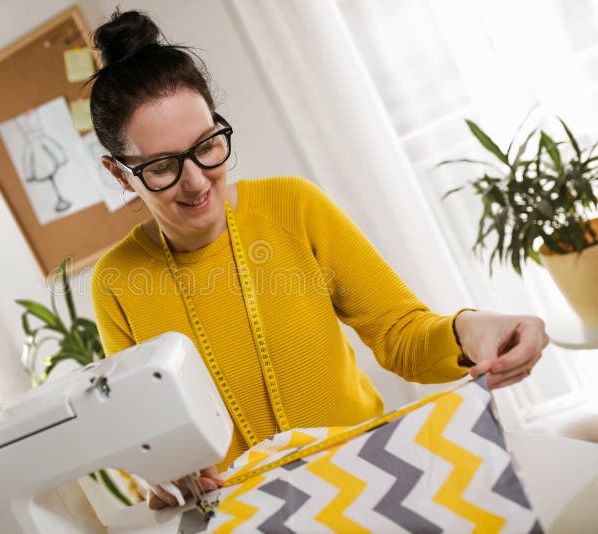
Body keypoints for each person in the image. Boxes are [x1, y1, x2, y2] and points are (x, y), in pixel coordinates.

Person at [87, 9, 549, 510]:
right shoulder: (116, 283)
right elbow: (153, 437)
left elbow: (401, 335)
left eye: (207, 146)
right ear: (119, 174)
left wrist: (472, 330)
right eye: (162, 167)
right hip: (244, 516)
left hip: (371, 485)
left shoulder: (294, 206)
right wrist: (163, 475)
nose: (197, 180)